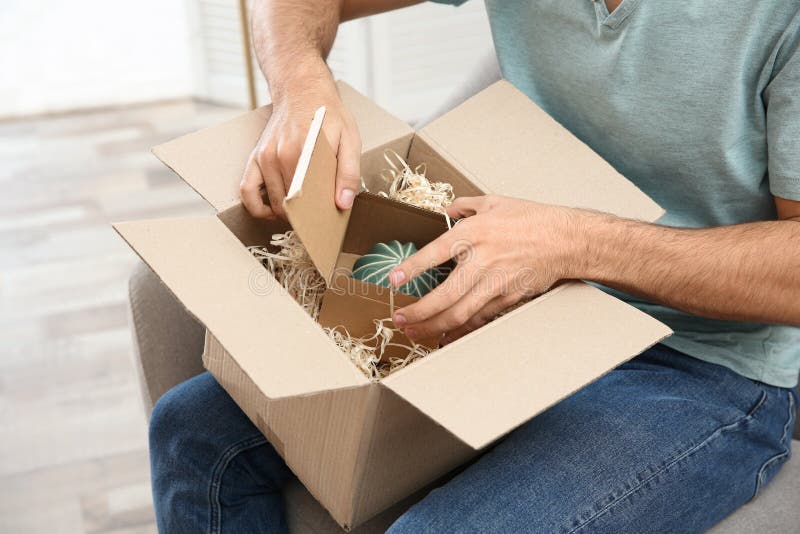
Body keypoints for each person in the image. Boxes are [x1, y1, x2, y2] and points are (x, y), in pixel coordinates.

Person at [148, 1, 800, 532]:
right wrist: (299, 84)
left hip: (702, 364)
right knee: (192, 435)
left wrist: (576, 242)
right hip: (511, 304)